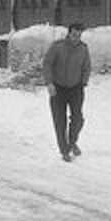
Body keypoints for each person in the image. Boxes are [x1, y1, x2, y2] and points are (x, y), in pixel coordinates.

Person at [42, 23, 91, 162]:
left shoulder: (83, 49)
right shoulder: (57, 47)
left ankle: (72, 141)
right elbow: (47, 64)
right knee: (60, 121)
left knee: (78, 119)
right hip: (58, 89)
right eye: (74, 34)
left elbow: (87, 66)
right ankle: (64, 150)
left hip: (75, 88)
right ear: (69, 33)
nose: (76, 38)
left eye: (79, 35)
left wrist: (83, 82)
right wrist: (49, 83)